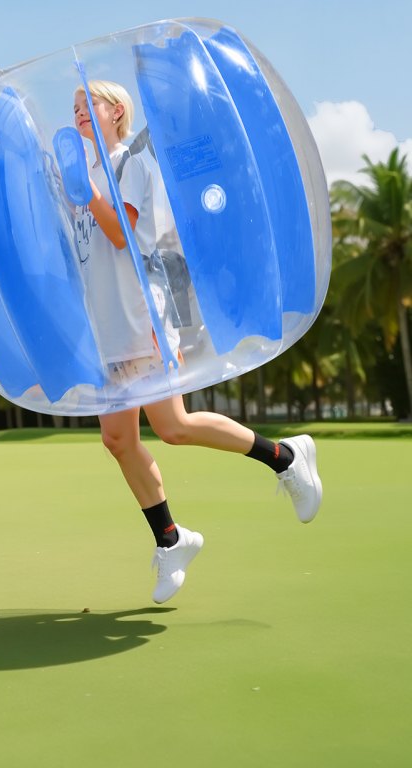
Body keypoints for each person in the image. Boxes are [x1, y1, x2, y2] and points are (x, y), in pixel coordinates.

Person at [71, 79, 322, 603]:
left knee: (175, 427)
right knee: (118, 441)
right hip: (106, 330)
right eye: (72, 106)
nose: (77, 112)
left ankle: (286, 457)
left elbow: (121, 233)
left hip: (143, 322)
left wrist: (86, 193)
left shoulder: (129, 165)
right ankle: (172, 541)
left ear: (116, 111)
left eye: (86, 103)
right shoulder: (84, 175)